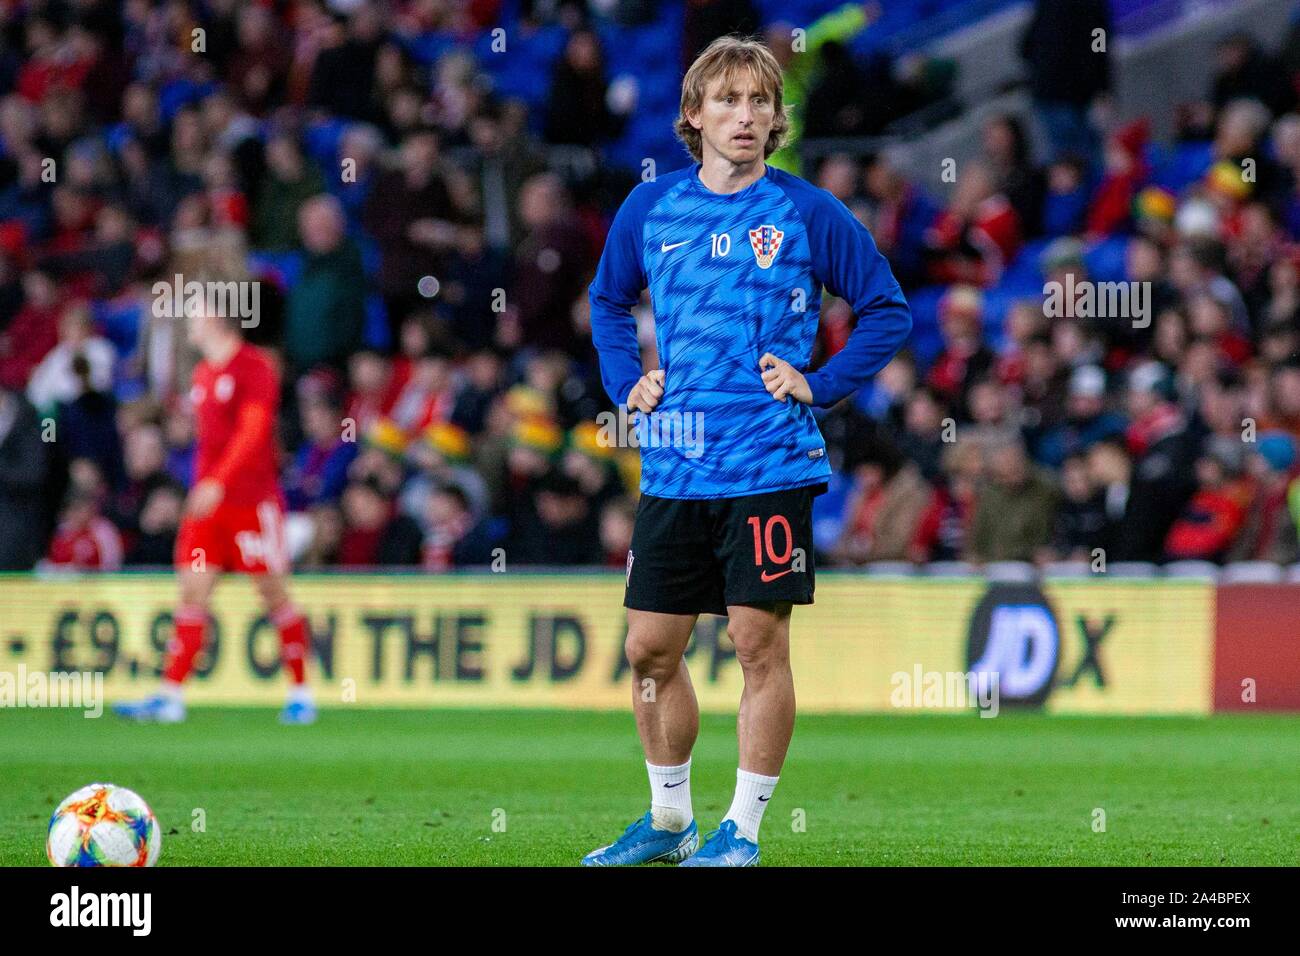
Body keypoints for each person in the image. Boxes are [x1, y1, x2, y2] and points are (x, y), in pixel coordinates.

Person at [584, 36, 910, 867]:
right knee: (648, 650)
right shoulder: (649, 209)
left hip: (769, 466)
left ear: (777, 121)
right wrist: (630, 385)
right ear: (694, 115)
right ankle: (667, 822)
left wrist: (821, 382)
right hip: (674, 467)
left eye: (761, 103)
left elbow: (886, 310)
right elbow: (607, 301)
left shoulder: (807, 212)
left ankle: (744, 831)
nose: (747, 116)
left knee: (757, 646)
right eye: (729, 101)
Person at [114, 304, 315, 725]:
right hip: (209, 506)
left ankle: (300, 692)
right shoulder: (203, 374)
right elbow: (209, 442)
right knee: (192, 591)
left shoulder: (254, 367)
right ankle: (171, 695)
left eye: (196, 315)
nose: (190, 322)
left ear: (218, 321)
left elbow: (254, 432)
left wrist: (219, 480)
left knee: (272, 592)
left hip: (251, 501)